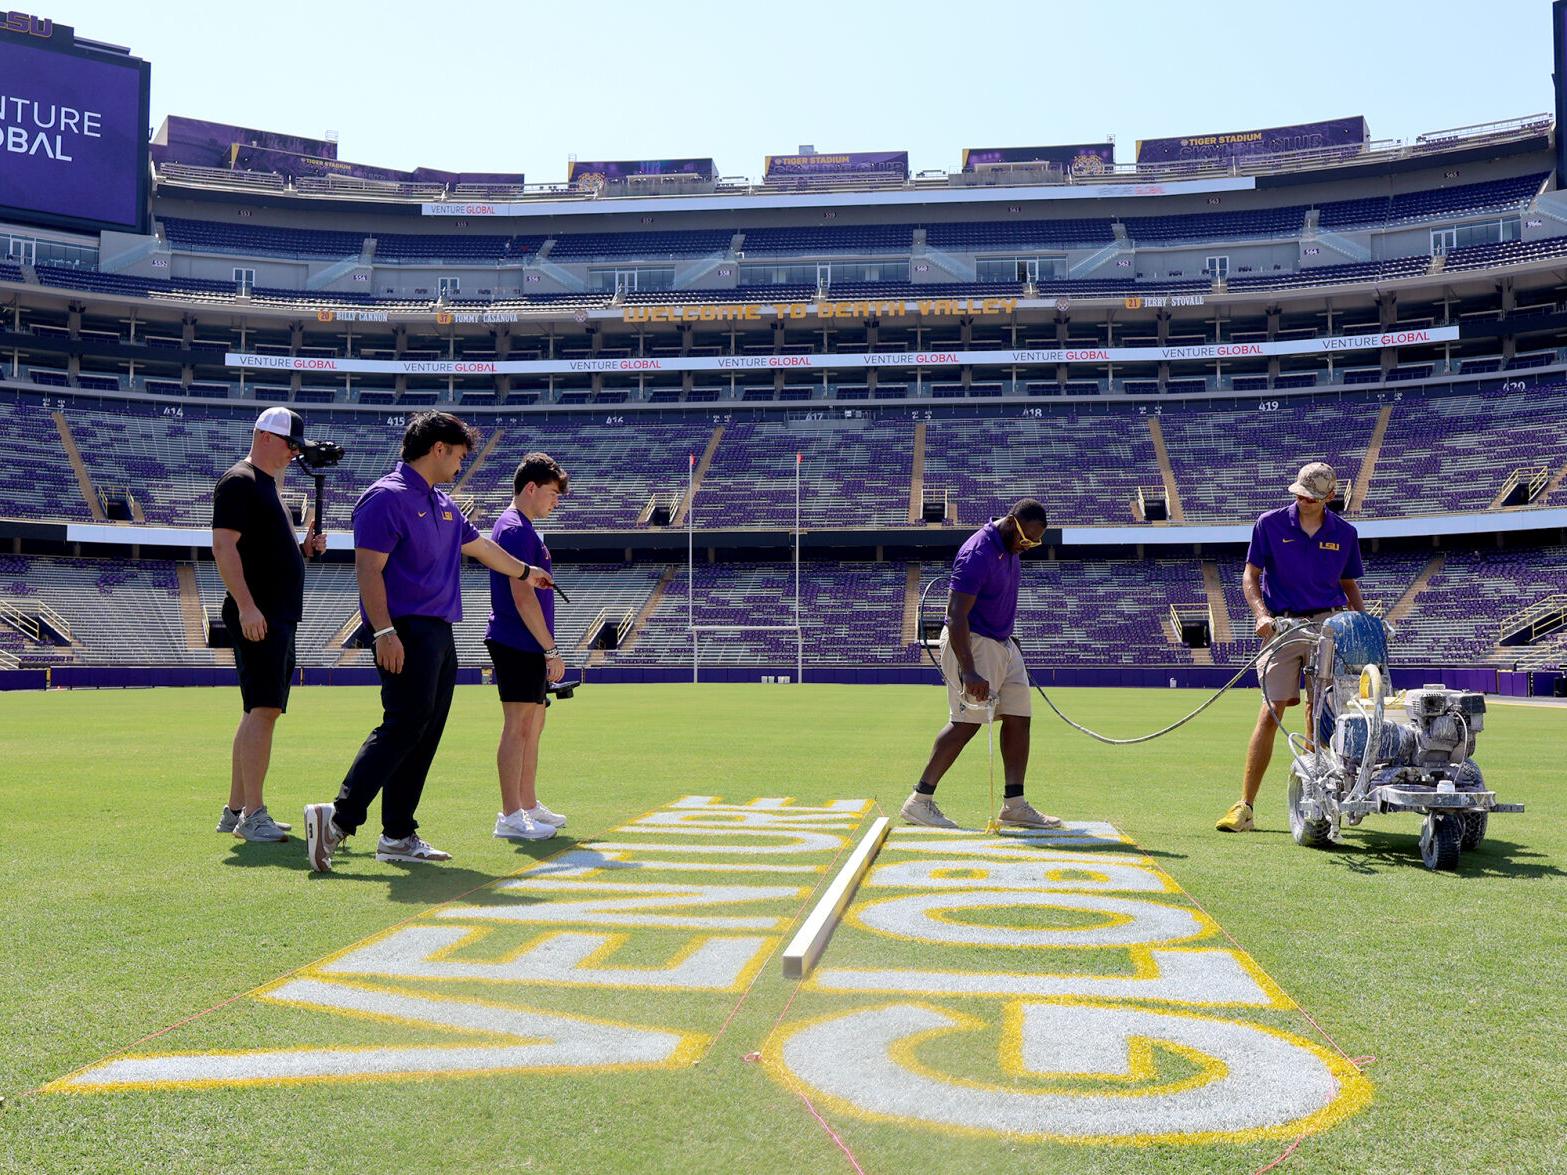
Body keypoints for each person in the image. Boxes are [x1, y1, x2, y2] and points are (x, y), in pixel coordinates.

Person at [304, 412, 553, 872]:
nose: (460, 465)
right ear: (438, 448)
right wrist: (383, 632)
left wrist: (524, 570)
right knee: (404, 723)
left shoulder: (443, 503)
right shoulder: (386, 498)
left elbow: (478, 547)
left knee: (425, 731)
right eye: (458, 455)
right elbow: (368, 570)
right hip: (404, 629)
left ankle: (397, 833)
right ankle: (337, 820)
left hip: (440, 632)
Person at [1217, 462, 1364, 833]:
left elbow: (1348, 584)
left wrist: (1363, 622)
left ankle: (1317, 798)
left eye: (1311, 496)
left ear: (1330, 497)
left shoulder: (1345, 533)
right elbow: (1250, 575)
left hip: (1327, 624)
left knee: (1320, 711)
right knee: (1271, 710)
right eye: (1298, 492)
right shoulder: (1269, 523)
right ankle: (1245, 806)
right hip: (1281, 624)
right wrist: (1260, 615)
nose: (1302, 499)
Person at [901, 499, 1061, 830]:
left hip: (1003, 643)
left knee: (1019, 717)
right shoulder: (978, 552)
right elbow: (956, 615)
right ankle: (919, 800)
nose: (1028, 546)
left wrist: (1006, 641)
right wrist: (969, 669)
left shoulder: (1011, 549)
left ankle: (1014, 805)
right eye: (1026, 539)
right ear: (1012, 523)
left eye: (1035, 542)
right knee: (967, 722)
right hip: (973, 642)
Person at [211, 406, 327, 842]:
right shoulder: (240, 481)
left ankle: (237, 808)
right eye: (290, 444)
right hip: (261, 613)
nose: (294, 454)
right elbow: (224, 546)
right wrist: (247, 606)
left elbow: (267, 552)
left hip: (272, 611)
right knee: (265, 710)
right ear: (264, 436)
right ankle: (252, 814)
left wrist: (305, 547)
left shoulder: (266, 486)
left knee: (256, 709)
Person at [485, 452, 571, 842]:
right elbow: (522, 598)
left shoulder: (523, 528)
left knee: (533, 725)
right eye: (552, 493)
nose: (555, 502)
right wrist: (550, 650)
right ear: (530, 488)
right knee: (518, 727)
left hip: (526, 644)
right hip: (516, 641)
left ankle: (528, 803)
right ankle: (510, 814)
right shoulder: (515, 529)